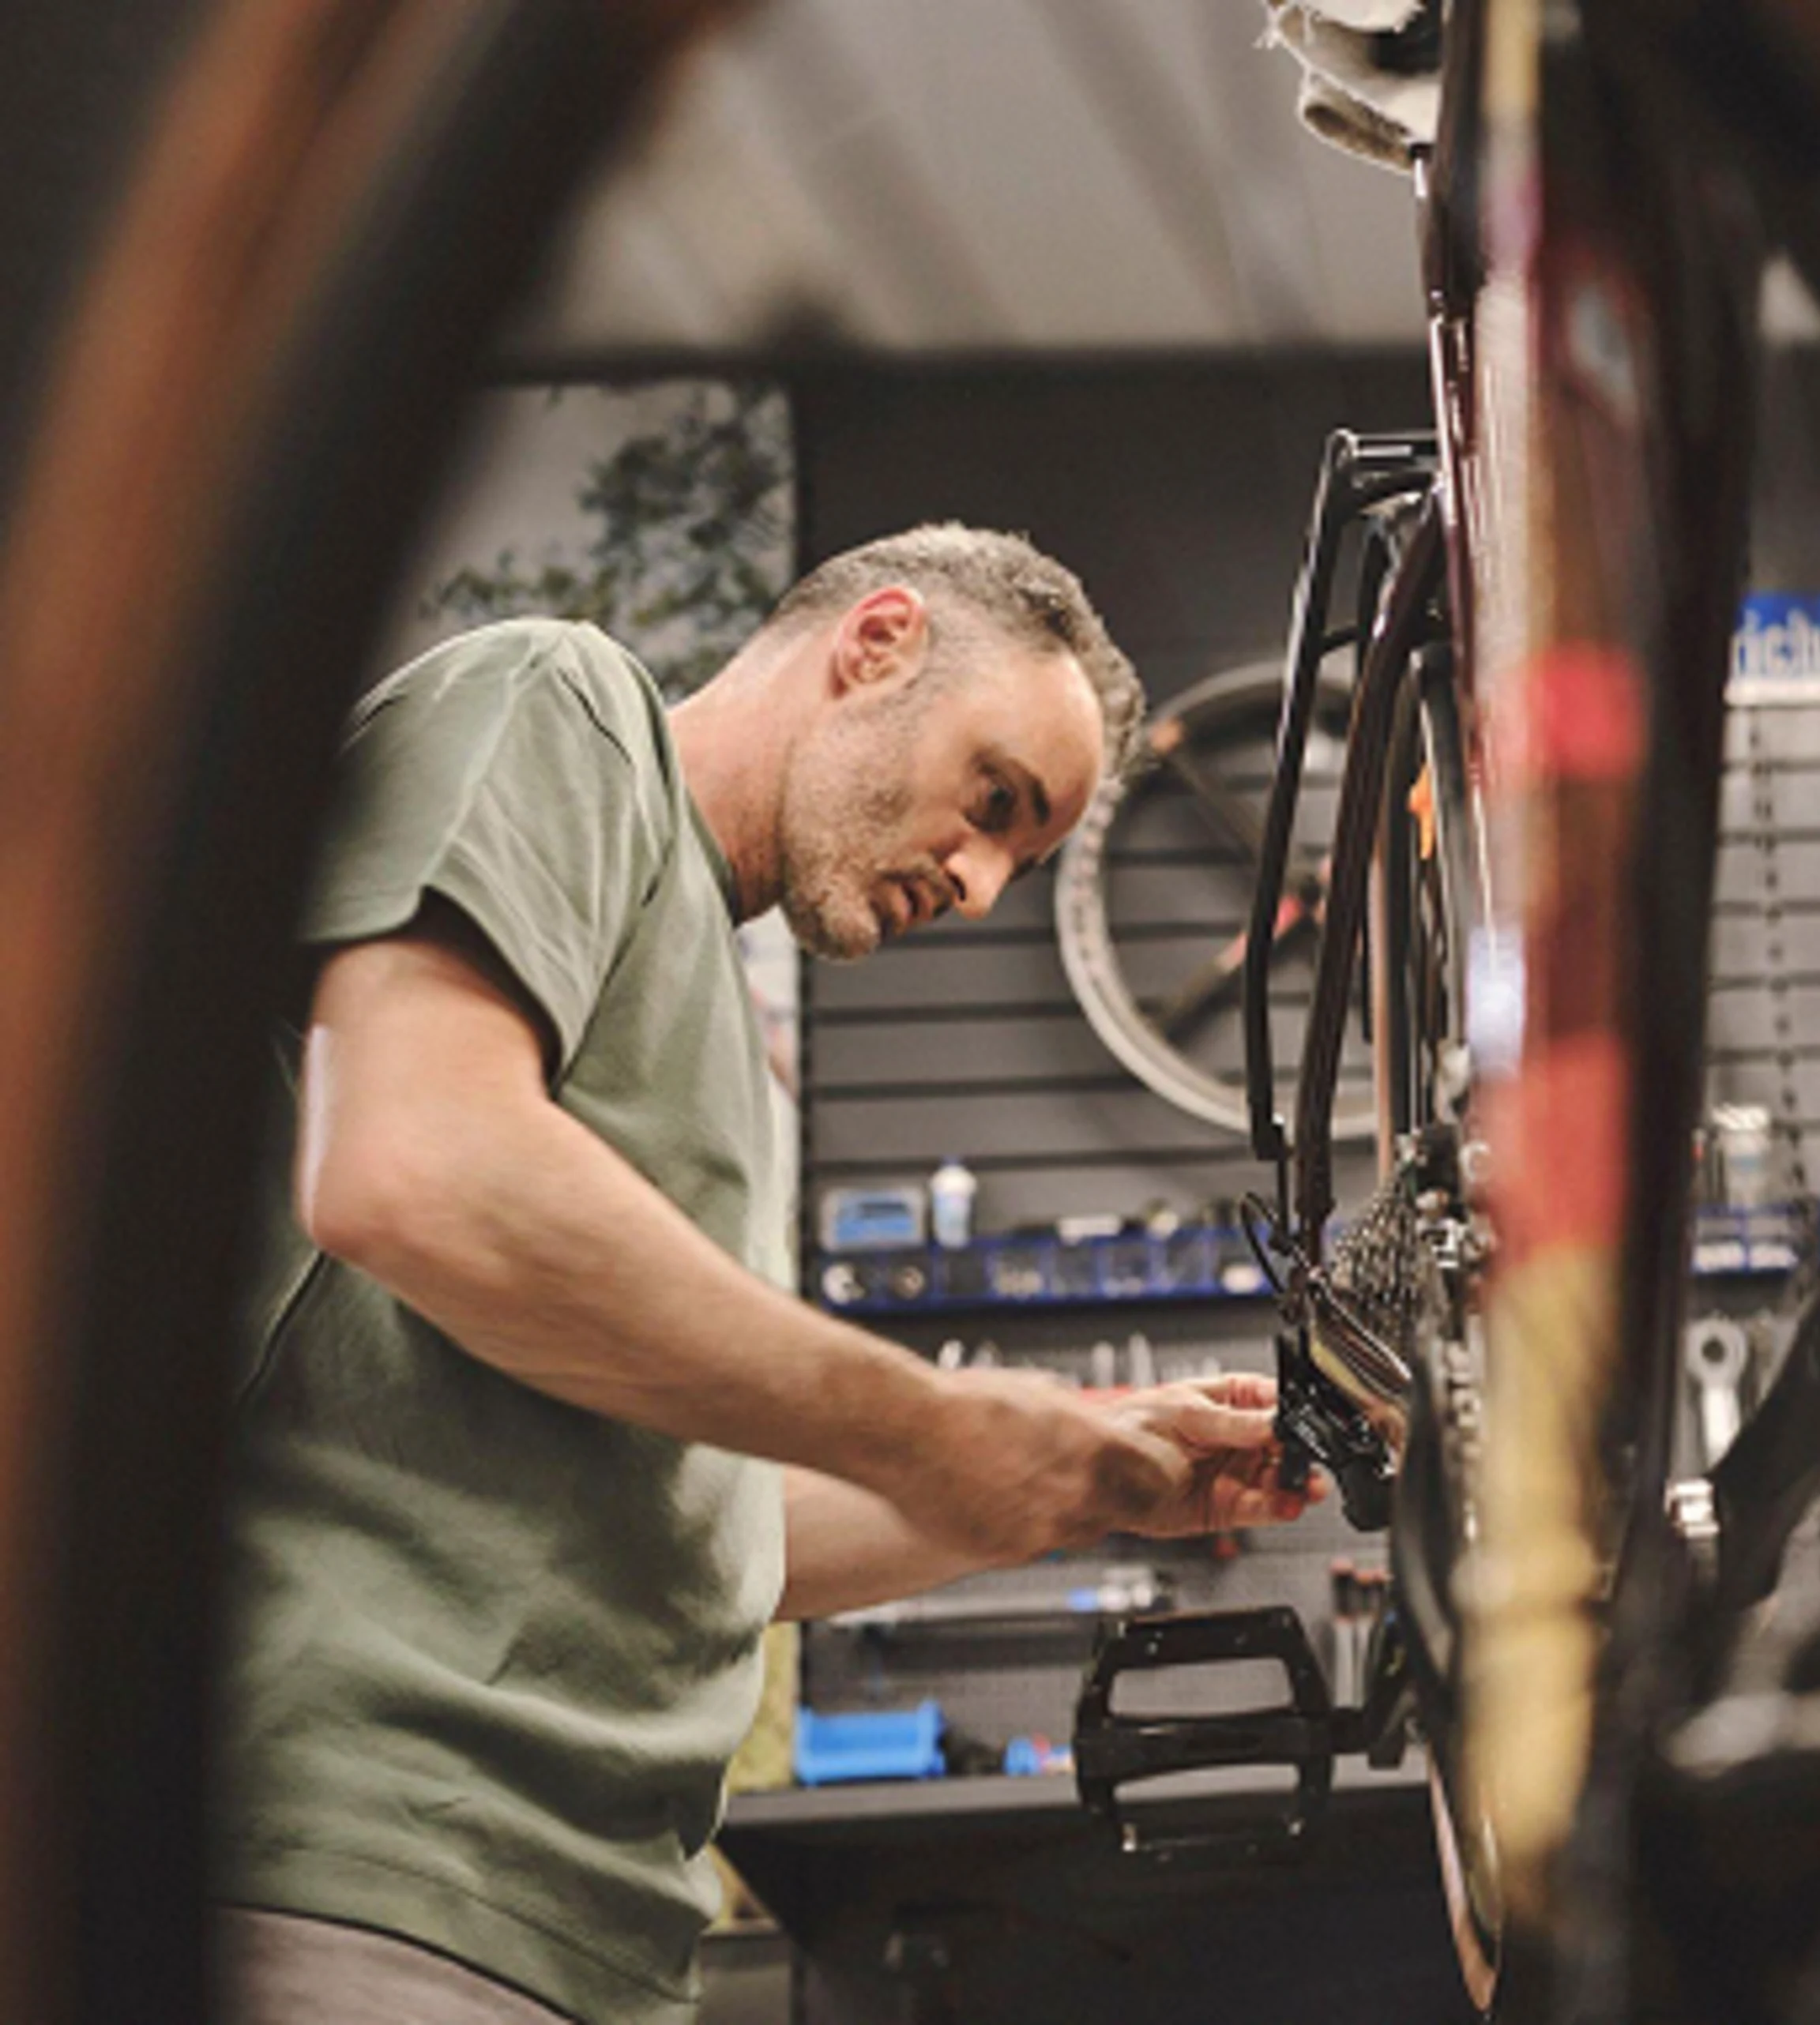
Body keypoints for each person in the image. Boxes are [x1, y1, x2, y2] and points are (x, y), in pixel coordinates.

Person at [216, 524, 1310, 2024]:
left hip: (579, 1941)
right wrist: (929, 1422)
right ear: (878, 644)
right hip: (357, 1873)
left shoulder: (733, 1057)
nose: (983, 885)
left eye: (1023, 855)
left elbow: (719, 1535)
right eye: (994, 801)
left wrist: (1084, 1473)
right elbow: (413, 1161)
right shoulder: (562, 704)